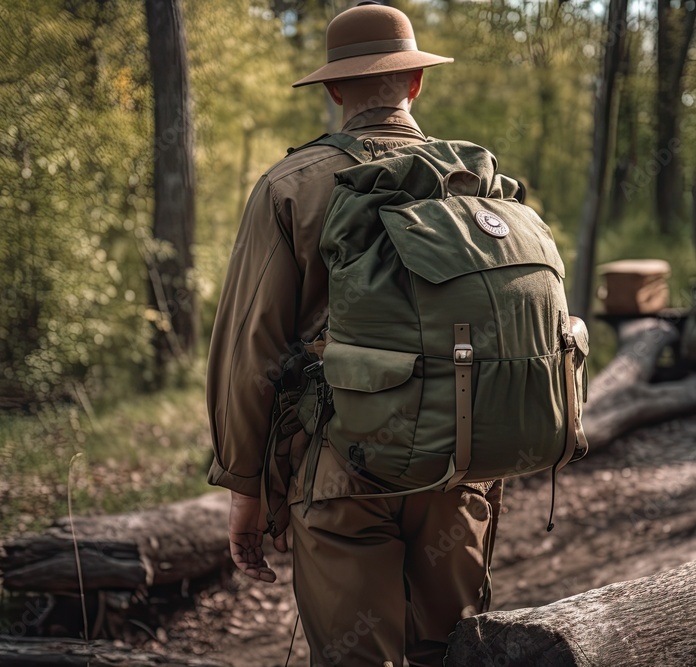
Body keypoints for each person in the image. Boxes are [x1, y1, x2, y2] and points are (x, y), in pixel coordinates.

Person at [205, 5, 502, 666]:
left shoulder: (290, 186)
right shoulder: (473, 180)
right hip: (458, 464)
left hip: (341, 469)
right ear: (415, 82)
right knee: (454, 653)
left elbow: (251, 350)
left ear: (335, 89)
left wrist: (246, 488)